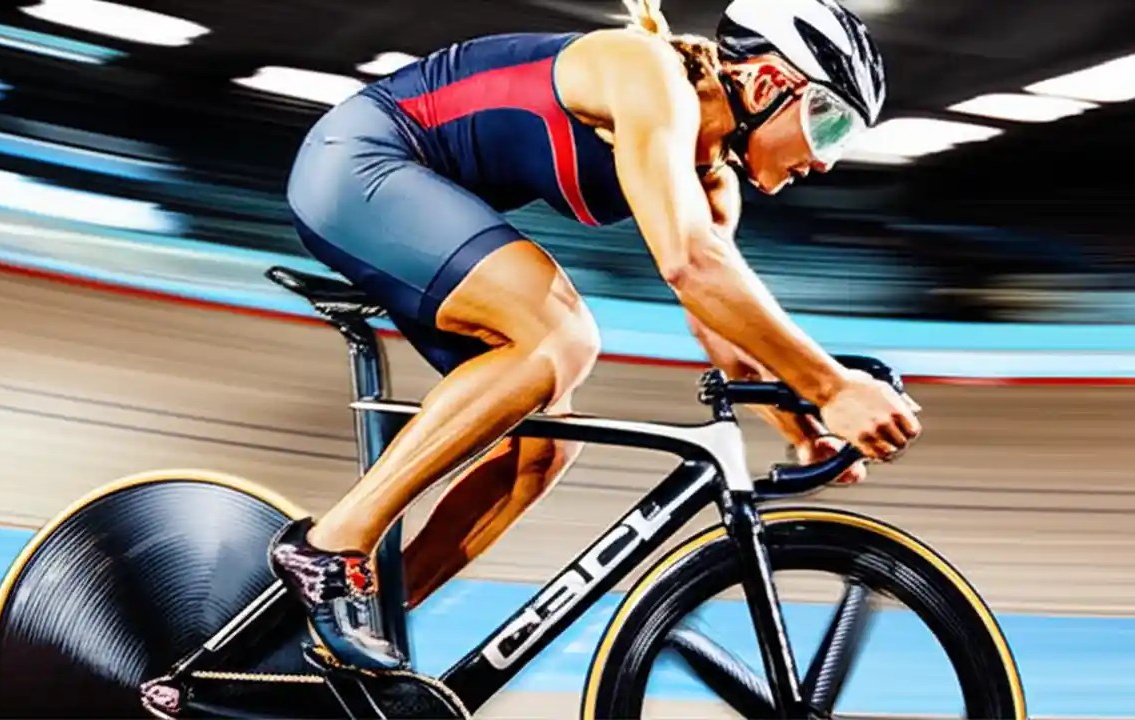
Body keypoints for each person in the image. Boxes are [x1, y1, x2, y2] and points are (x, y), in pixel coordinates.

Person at [271, 0, 922, 670]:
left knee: (542, 451)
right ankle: (329, 546)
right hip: (360, 162)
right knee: (560, 337)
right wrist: (834, 387)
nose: (826, 161)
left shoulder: (712, 181)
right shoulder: (648, 74)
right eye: (829, 122)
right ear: (764, 84)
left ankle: (349, 636)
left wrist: (802, 425)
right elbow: (690, 265)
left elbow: (718, 320)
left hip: (408, 196)